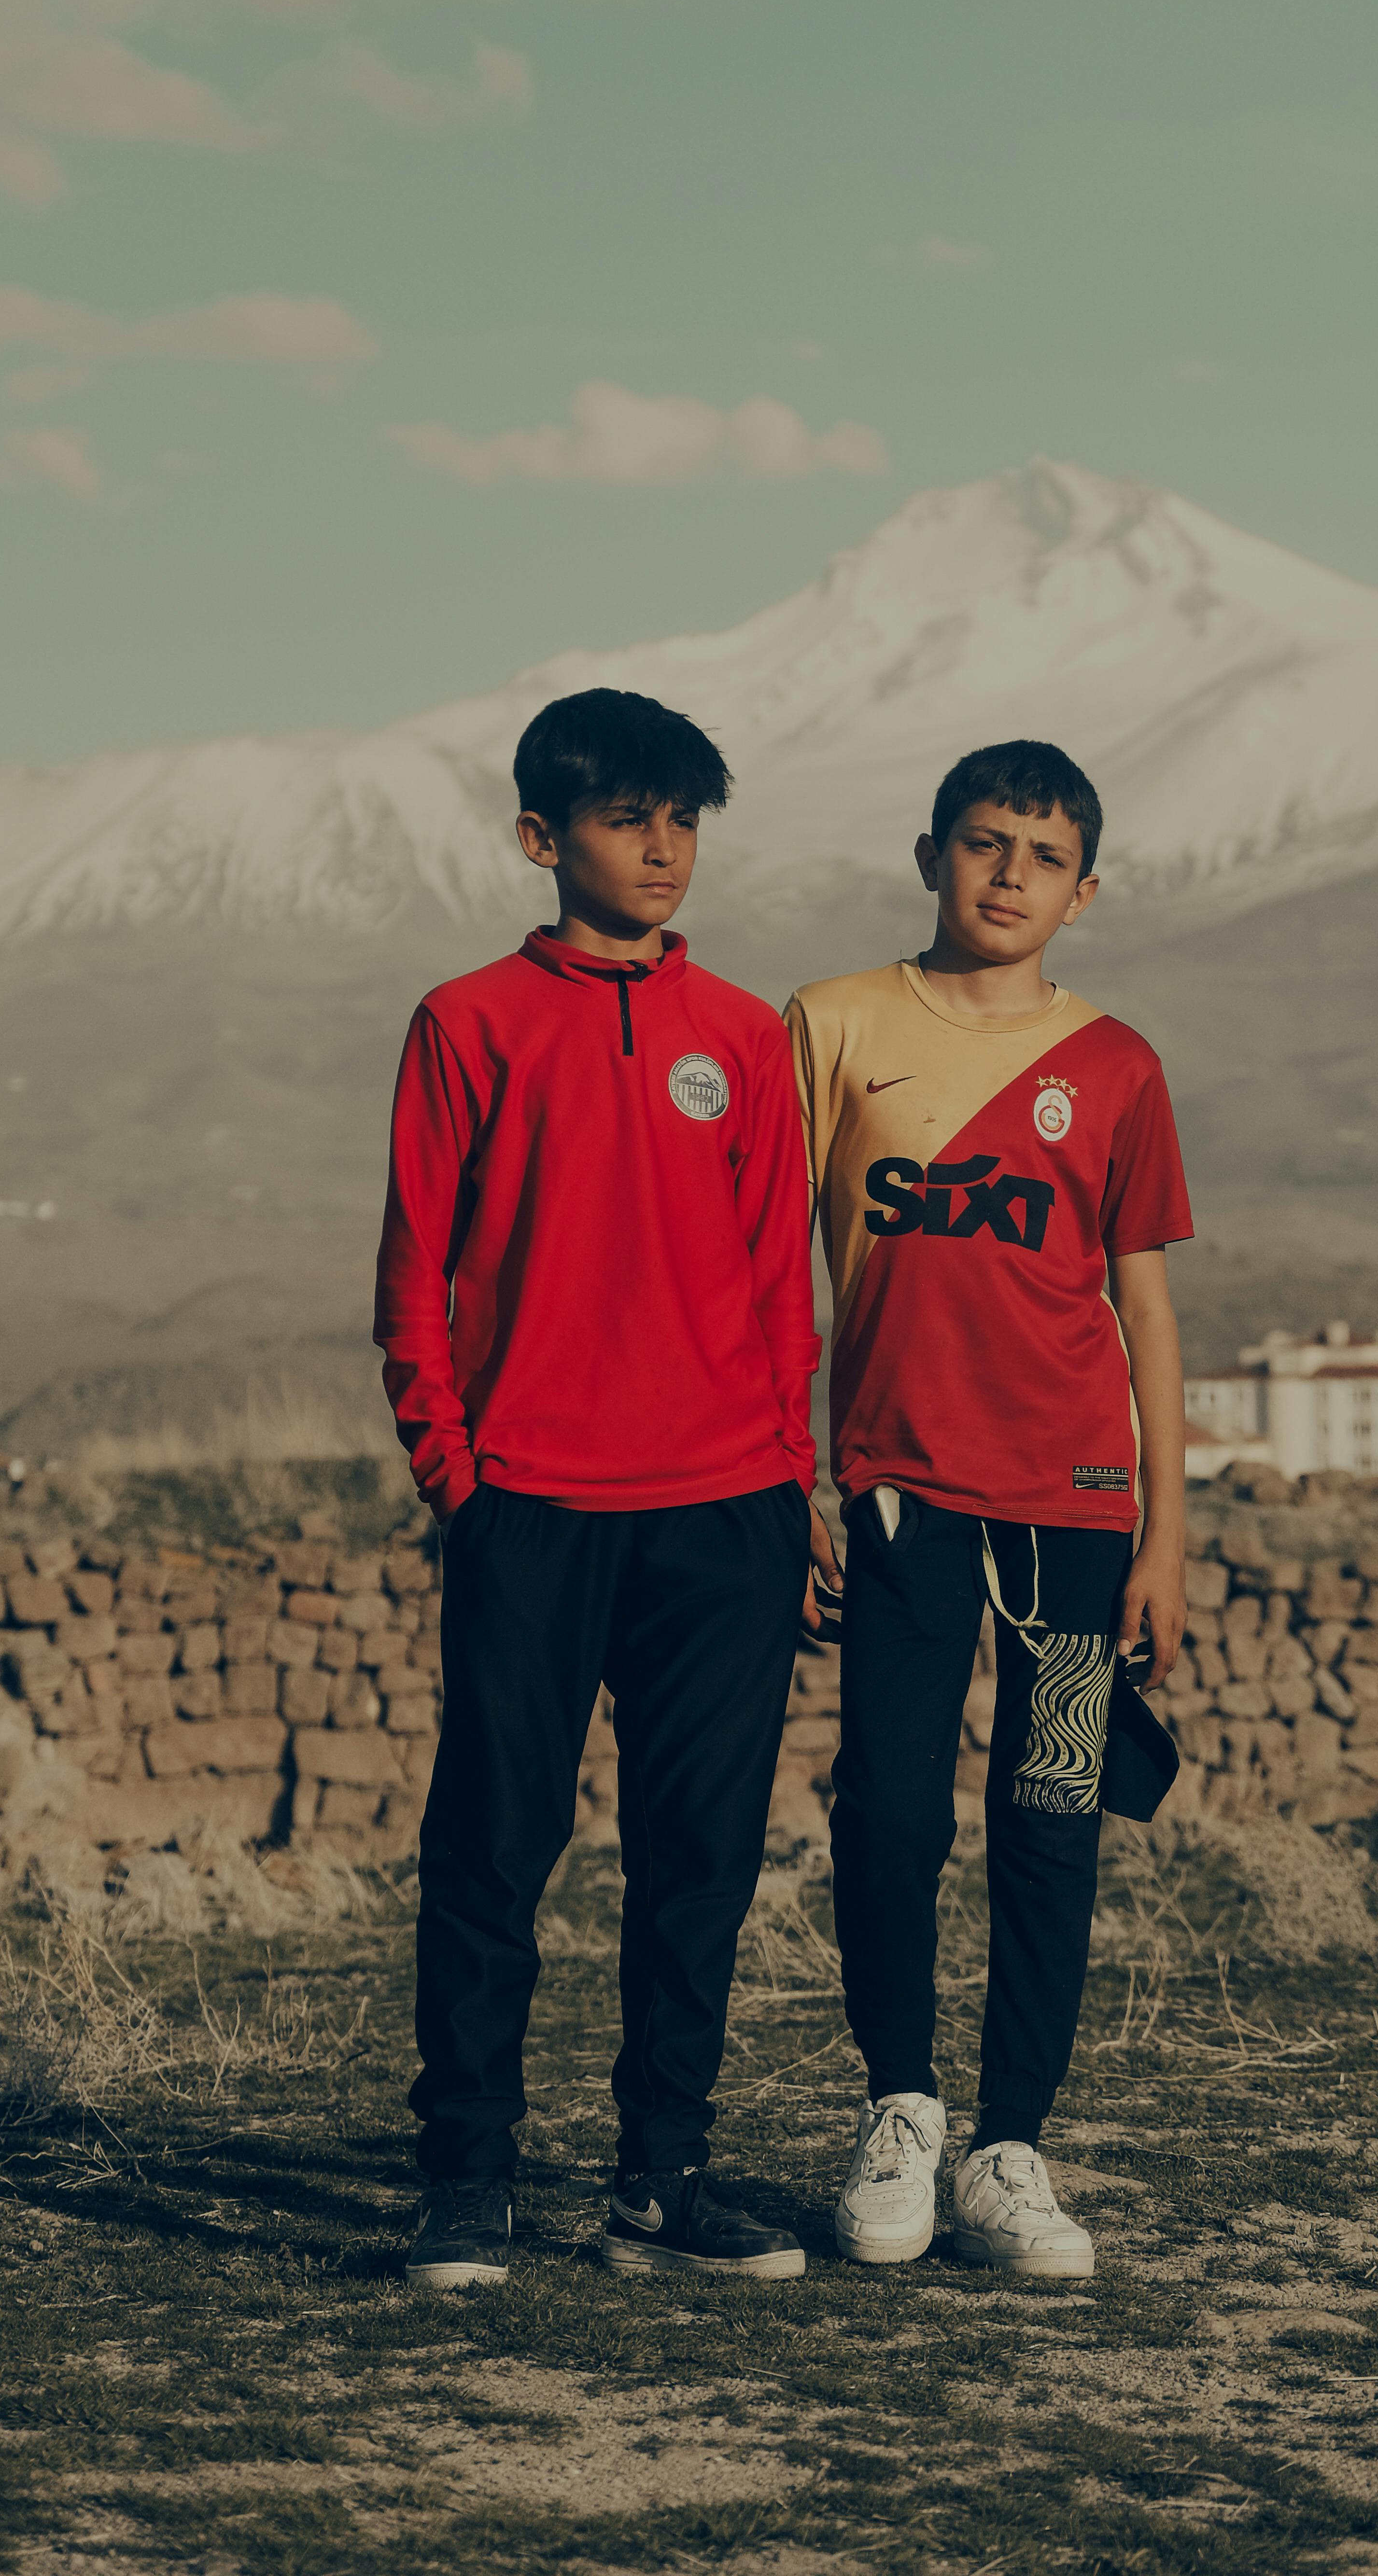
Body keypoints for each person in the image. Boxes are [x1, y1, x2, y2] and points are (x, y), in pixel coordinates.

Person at [375, 686, 822, 2290]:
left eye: (685, 818)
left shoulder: (744, 1037)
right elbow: (416, 1271)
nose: (664, 848)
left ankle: (664, 2181)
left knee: (700, 1860)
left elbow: (786, 1285)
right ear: (541, 838)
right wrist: (457, 1471)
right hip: (536, 1507)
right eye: (631, 818)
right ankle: (467, 2181)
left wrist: (792, 1485)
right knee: (493, 1848)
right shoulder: (468, 1021)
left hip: (727, 1518)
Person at [785, 739, 1192, 2280]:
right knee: (888, 1814)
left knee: (1052, 1816)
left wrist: (1167, 1529)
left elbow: (1145, 1310)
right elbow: (771, 1272)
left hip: (1080, 1521)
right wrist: (789, 1472)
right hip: (898, 1502)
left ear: (1085, 891)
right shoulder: (833, 1026)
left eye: (1041, 853)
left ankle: (1011, 2151)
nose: (1008, 873)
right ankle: (900, 2112)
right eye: (982, 842)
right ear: (930, 855)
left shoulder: (1122, 1068)